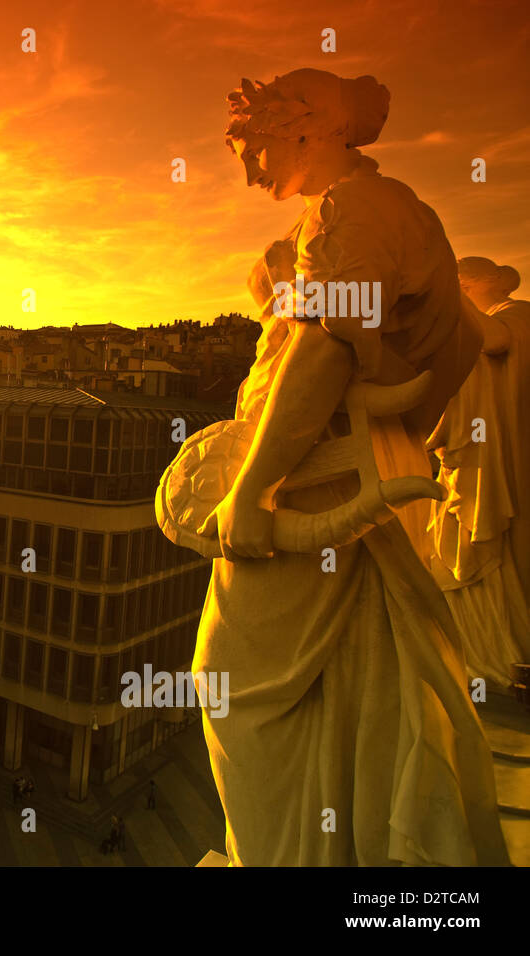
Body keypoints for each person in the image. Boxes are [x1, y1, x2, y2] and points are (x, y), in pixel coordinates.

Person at [198, 68, 509, 865]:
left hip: (321, 478)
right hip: (352, 461)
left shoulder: (357, 209)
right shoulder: (378, 209)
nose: (247, 171)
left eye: (251, 147)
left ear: (304, 128)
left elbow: (326, 344)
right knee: (345, 691)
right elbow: (466, 344)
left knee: (234, 681)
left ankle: (296, 854)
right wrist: (399, 422)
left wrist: (252, 485)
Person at [427, 256, 530, 689]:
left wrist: (447, 301)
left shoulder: (516, 313)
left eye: (461, 288)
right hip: (475, 454)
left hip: (500, 455)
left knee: (495, 549)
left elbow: (496, 343)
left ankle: (504, 655)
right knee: (456, 547)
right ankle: (477, 651)